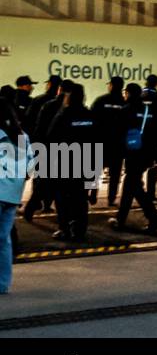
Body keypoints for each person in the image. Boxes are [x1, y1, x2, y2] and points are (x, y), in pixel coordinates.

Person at [108, 83, 157, 234]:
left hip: (132, 153)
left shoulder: (126, 110)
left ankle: (152, 218)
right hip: (146, 154)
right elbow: (156, 133)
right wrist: (154, 155)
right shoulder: (148, 111)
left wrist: (116, 154)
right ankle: (125, 219)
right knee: (132, 186)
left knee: (131, 185)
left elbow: (118, 134)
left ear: (128, 93)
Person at [46, 81, 99, 242]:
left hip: (65, 163)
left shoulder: (64, 114)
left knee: (62, 198)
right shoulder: (90, 115)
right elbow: (97, 141)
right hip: (85, 163)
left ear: (69, 97)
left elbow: (51, 138)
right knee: (81, 199)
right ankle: (80, 230)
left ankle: (64, 229)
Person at [0, 92, 32, 293]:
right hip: (13, 195)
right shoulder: (22, 136)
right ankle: (3, 283)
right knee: (3, 240)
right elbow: (30, 169)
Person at [21, 75, 62, 221]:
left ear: (49, 84)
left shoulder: (39, 101)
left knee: (40, 176)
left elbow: (28, 121)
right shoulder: (63, 104)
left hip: (41, 143)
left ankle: (35, 204)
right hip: (60, 147)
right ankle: (46, 204)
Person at [89, 77, 128, 207]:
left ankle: (92, 193)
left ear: (111, 85)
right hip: (118, 144)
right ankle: (111, 198)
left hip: (100, 142)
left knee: (94, 171)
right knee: (115, 174)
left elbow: (92, 120)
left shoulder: (101, 100)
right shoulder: (124, 103)